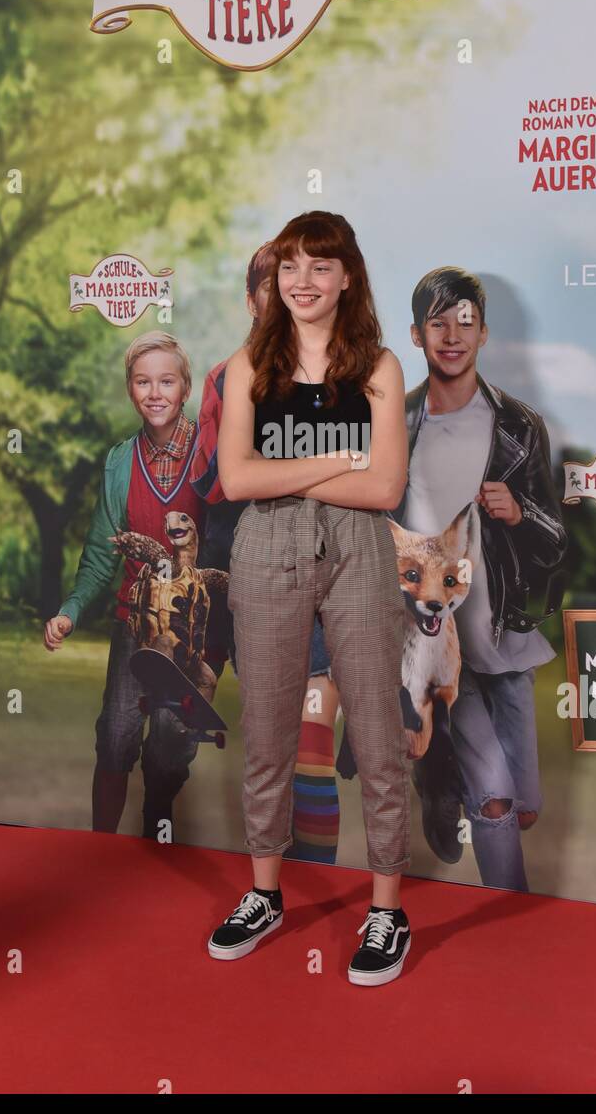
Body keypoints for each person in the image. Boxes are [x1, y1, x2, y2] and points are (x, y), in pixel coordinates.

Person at [207, 211, 413, 986]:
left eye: (319, 267)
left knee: (380, 738)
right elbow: (236, 481)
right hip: (265, 551)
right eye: (290, 266)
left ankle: (387, 909)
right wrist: (336, 456)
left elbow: (385, 487)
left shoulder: (379, 367)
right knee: (267, 734)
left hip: (359, 552)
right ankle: (264, 894)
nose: (302, 281)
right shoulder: (246, 367)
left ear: (346, 277)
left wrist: (291, 466)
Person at [392, 267, 567, 892]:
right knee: (493, 798)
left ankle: (439, 780)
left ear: (484, 332)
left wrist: (520, 514)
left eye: (464, 321)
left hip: (505, 635)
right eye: (436, 322)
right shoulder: (396, 424)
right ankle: (510, 923)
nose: (451, 334)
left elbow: (555, 542)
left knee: (522, 806)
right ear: (416, 335)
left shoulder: (519, 427)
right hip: (437, 643)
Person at [189, 242, 343, 864]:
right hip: (248, 577)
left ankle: (320, 884)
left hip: (325, 575)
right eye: (271, 282)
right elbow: (214, 485)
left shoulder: (345, 370)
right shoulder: (226, 378)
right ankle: (272, 889)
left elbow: (364, 481)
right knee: (269, 752)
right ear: (251, 297)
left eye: (301, 279)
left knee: (313, 753)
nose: (285, 293)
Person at [43, 331, 211, 840]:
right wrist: (70, 610)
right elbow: (100, 554)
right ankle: (102, 846)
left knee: (169, 736)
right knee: (115, 735)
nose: (155, 392)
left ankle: (156, 820)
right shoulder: (120, 462)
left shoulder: (212, 454)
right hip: (133, 624)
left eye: (166, 381)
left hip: (192, 634)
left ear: (185, 388)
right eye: (143, 382)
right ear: (130, 390)